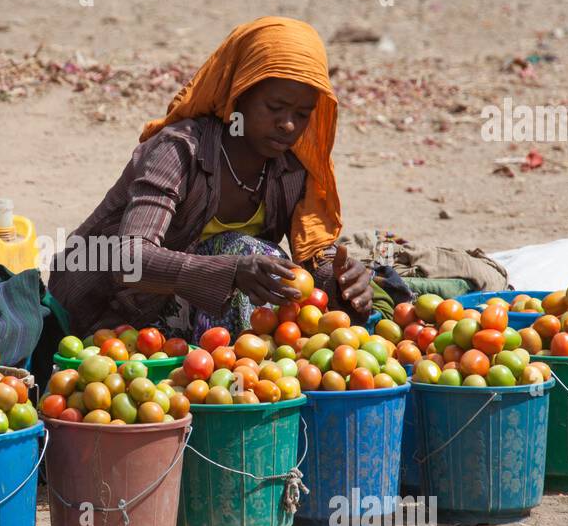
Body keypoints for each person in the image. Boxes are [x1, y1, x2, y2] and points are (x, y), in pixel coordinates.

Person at [48, 17, 373, 339]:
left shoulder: (289, 169)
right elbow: (129, 258)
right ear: (239, 95)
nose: (288, 125)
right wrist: (232, 272)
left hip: (194, 321)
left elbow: (313, 260)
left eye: (302, 115)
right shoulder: (179, 150)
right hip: (110, 310)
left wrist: (341, 279)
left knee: (286, 275)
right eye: (275, 107)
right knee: (248, 252)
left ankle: (242, 378)